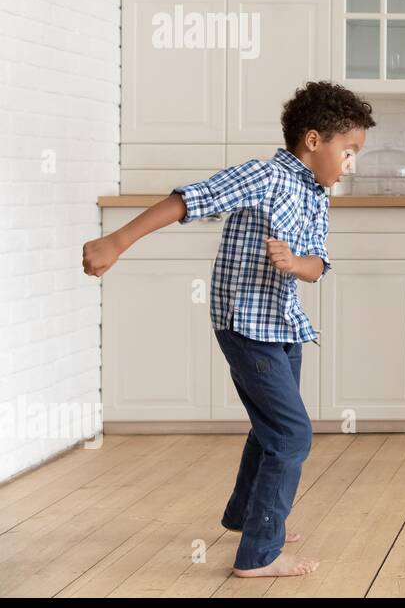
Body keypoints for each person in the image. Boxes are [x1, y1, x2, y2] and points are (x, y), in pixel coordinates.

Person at [82, 81, 375, 574]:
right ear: (312, 141)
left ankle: (248, 517)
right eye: (348, 151)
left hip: (282, 326)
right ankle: (259, 555)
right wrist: (116, 241)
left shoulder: (317, 195)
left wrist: (293, 261)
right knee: (293, 434)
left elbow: (319, 265)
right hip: (244, 325)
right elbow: (188, 200)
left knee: (270, 430)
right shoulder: (262, 177)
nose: (351, 163)